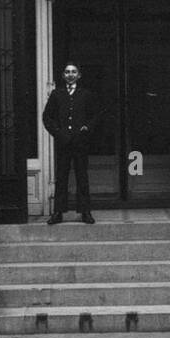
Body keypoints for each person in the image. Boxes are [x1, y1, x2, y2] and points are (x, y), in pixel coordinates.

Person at [42, 63, 99, 224]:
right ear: (63, 75)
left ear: (79, 75)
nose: (70, 74)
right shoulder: (56, 94)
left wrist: (86, 129)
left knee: (82, 176)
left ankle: (85, 212)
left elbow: (95, 116)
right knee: (61, 177)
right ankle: (58, 213)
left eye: (73, 72)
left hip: (80, 142)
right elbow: (47, 117)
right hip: (63, 143)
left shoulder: (85, 94)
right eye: (67, 72)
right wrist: (58, 133)